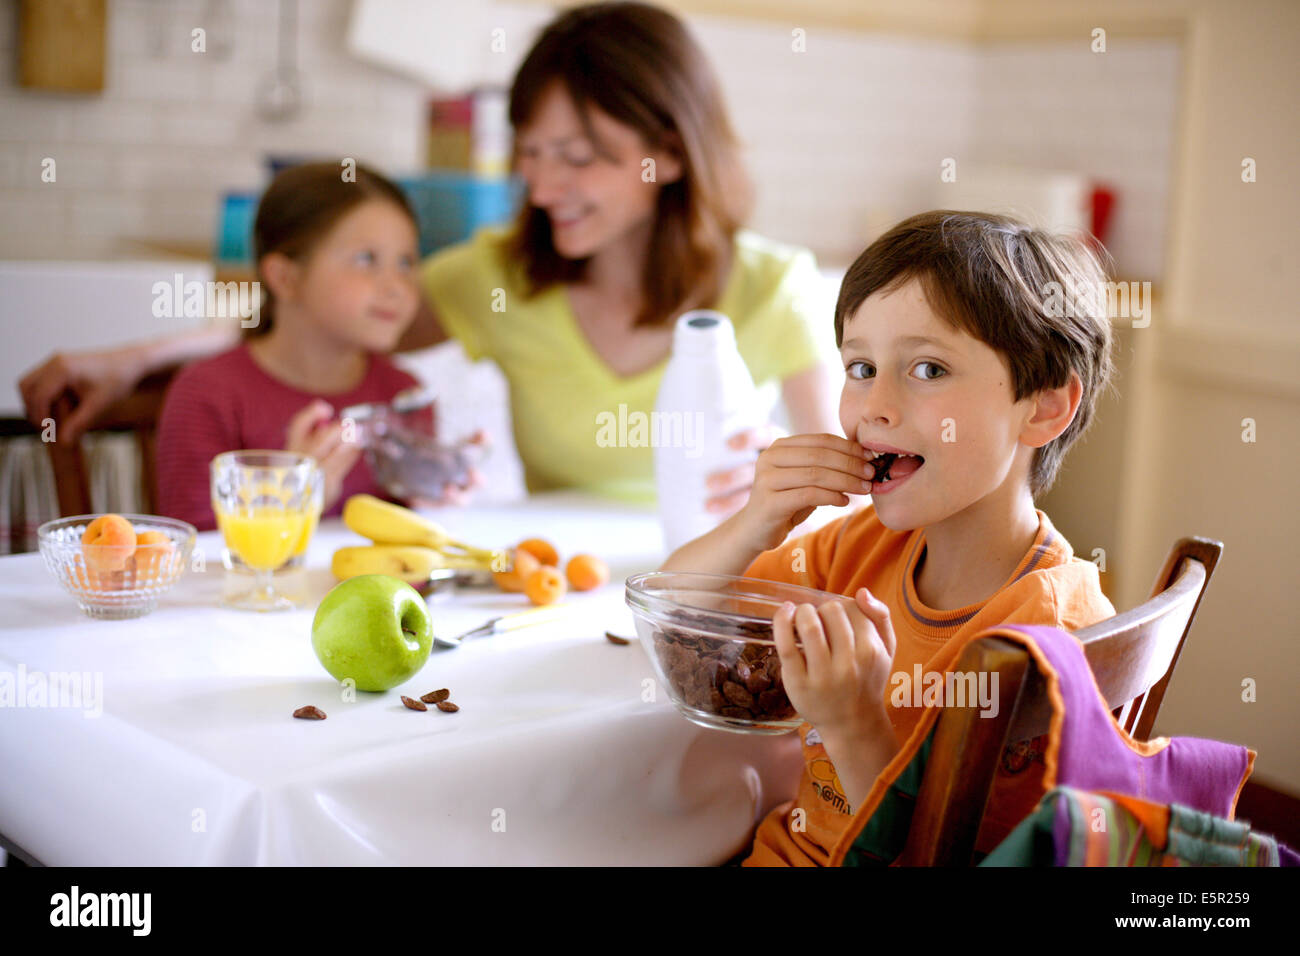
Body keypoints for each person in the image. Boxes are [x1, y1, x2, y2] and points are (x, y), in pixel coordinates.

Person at [18, 2, 837, 510]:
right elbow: (313, 319)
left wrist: (792, 486)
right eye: (531, 151)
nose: (543, 187)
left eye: (580, 155)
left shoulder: (772, 289)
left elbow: (858, 487)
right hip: (574, 593)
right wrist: (135, 358)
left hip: (718, 595)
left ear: (671, 155)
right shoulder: (500, 277)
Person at [660, 210, 1120, 866]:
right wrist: (755, 521)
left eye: (928, 369)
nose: (875, 405)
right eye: (860, 366)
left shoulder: (1050, 639)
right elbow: (680, 614)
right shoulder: (859, 547)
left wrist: (855, 726)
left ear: (1043, 407)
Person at [155, 162, 434, 531]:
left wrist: (439, 496)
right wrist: (283, 504)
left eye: (406, 262)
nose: (397, 286)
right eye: (366, 259)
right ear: (285, 278)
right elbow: (191, 560)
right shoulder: (206, 396)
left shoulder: (404, 393)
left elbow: (414, 546)